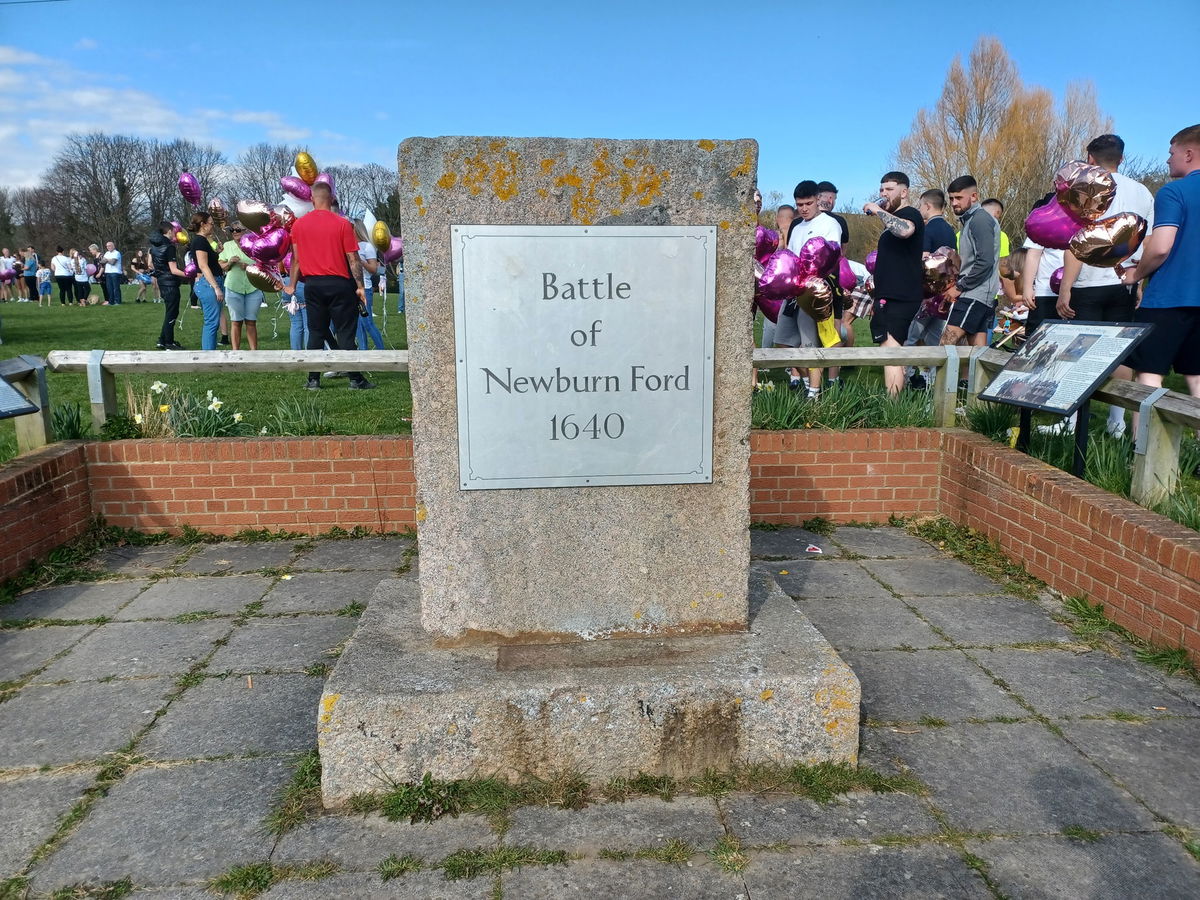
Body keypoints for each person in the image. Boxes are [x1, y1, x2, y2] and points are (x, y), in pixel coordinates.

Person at [1121, 124, 1200, 406]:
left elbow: (1161, 247)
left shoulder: (1174, 192)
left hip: (1168, 298)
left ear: (1188, 154)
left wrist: (1136, 275)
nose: (1168, 160)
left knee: (1149, 374)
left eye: (1171, 153)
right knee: (1197, 377)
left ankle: (1142, 436)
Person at [284, 181, 375, 390]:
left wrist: (292, 285)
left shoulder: (298, 225)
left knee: (316, 331)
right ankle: (355, 379)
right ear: (331, 198)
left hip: (313, 284)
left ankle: (313, 379)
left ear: (311, 199)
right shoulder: (342, 224)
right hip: (339, 284)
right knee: (345, 332)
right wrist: (360, 286)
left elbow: (296, 260)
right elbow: (353, 259)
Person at [780, 180, 844, 396]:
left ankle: (814, 394)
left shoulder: (830, 224)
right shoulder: (797, 227)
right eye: (800, 205)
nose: (804, 209)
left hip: (814, 292)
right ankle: (808, 382)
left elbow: (830, 258)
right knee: (782, 343)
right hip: (792, 291)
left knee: (810, 344)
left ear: (818, 200)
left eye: (808, 203)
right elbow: (790, 257)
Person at [863, 171, 925, 394]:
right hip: (887, 296)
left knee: (890, 352)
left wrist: (878, 210)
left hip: (901, 296)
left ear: (904, 192)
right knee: (891, 352)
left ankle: (893, 406)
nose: (883, 194)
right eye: (881, 189)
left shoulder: (910, 214)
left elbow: (906, 231)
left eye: (889, 189)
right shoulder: (892, 222)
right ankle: (896, 402)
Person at [904, 189, 960, 389]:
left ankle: (907, 378)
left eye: (921, 206)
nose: (920, 210)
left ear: (927, 206)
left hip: (926, 296)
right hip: (944, 295)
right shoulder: (950, 231)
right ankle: (934, 381)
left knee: (910, 337)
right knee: (934, 339)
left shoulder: (928, 230)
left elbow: (924, 262)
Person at [940, 175, 999, 348]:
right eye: (951, 198)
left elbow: (985, 261)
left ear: (974, 196)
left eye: (959, 197)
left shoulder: (980, 220)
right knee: (976, 352)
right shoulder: (970, 220)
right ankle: (971, 370)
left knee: (945, 344)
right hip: (976, 293)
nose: (954, 203)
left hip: (975, 293)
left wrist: (959, 287)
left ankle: (933, 373)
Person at [218, 222, 262, 350]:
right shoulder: (227, 246)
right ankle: (235, 353)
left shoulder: (255, 244)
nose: (234, 232)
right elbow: (222, 265)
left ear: (245, 230)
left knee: (251, 321)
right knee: (236, 321)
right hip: (233, 287)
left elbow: (263, 264)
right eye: (232, 230)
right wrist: (230, 263)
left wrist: (249, 267)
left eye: (238, 230)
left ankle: (254, 352)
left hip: (253, 287)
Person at [149, 220, 188, 349]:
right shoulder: (169, 246)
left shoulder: (154, 246)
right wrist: (189, 275)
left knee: (169, 312)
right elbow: (174, 270)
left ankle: (162, 340)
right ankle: (169, 342)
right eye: (174, 231)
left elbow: (152, 264)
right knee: (172, 313)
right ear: (170, 231)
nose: (175, 234)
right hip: (170, 282)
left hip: (162, 281)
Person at [188, 213, 225, 350]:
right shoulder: (200, 241)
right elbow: (203, 266)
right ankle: (208, 355)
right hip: (208, 284)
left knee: (214, 322)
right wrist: (216, 287)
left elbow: (209, 262)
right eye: (210, 223)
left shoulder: (204, 241)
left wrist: (217, 252)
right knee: (211, 322)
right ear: (203, 224)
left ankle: (211, 352)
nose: (212, 226)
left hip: (212, 281)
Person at [356, 237, 385, 350]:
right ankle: (363, 351)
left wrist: (361, 261)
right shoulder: (346, 244)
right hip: (352, 288)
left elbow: (373, 269)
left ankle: (381, 350)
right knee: (358, 324)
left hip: (365, 288)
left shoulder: (366, 246)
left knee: (367, 322)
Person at [102, 241, 123, 305]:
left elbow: (113, 262)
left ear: (113, 246)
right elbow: (102, 261)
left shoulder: (117, 253)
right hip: (108, 272)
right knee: (109, 288)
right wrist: (109, 260)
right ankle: (111, 302)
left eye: (109, 246)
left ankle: (117, 301)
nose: (108, 247)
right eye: (107, 246)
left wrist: (106, 260)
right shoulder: (107, 253)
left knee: (116, 288)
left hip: (115, 272)